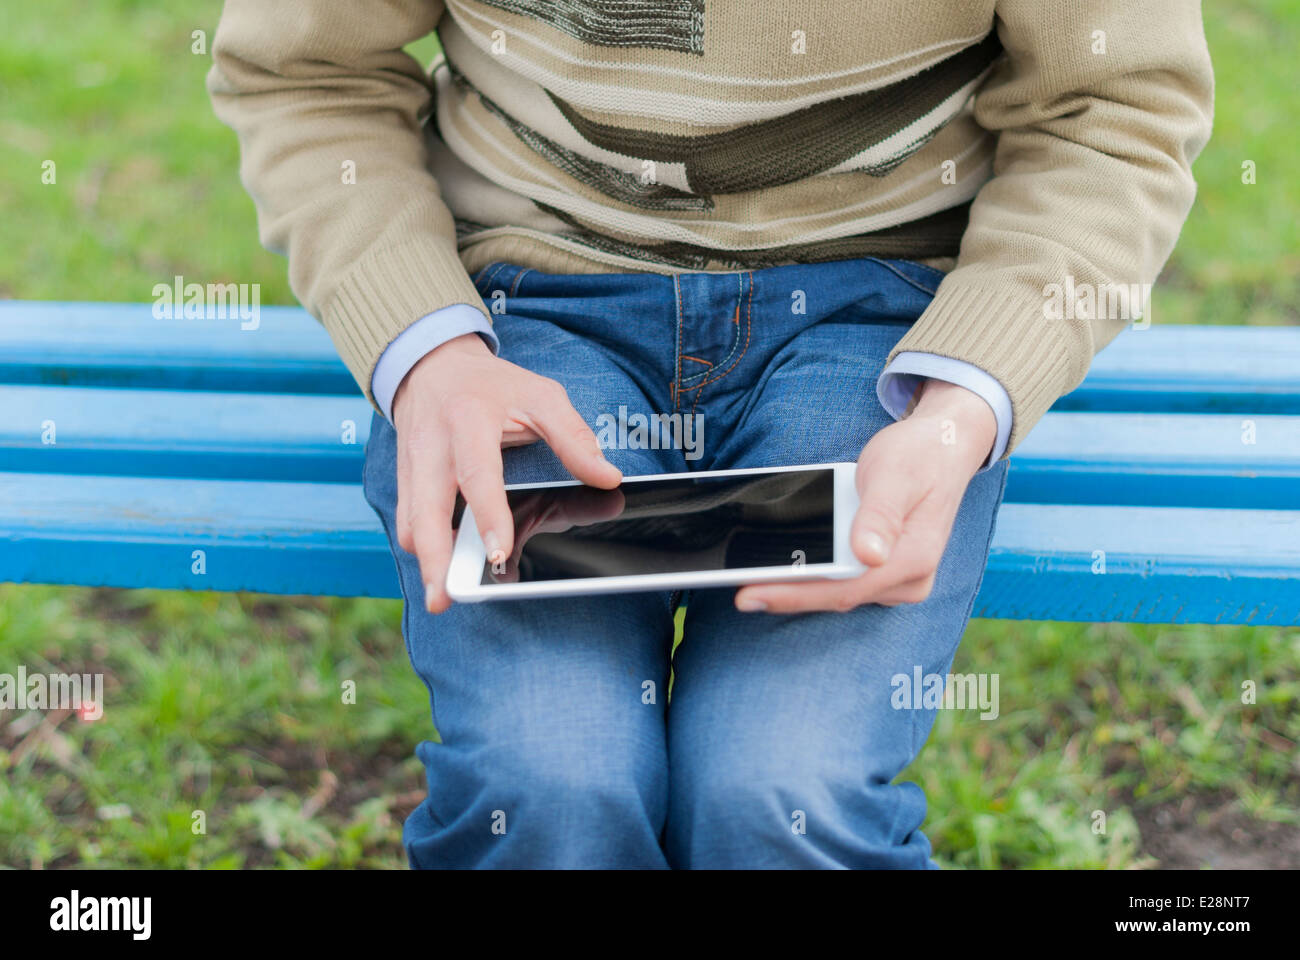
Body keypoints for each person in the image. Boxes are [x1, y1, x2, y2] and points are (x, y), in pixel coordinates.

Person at [208, 0, 1213, 868]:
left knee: (782, 799)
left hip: (886, 317)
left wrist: (962, 403)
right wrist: (429, 353)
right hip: (526, 312)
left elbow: (1112, 108)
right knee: (549, 787)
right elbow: (307, 67)